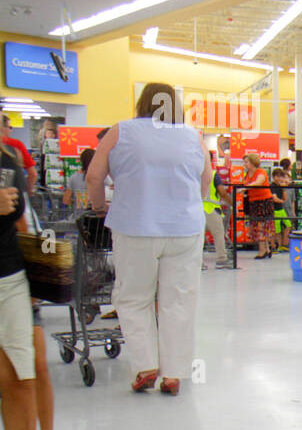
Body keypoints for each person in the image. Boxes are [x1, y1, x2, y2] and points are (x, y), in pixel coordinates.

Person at [86, 81, 210, 396]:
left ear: (142, 103)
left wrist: (100, 208)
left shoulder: (120, 131)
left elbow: (93, 176)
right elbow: (206, 180)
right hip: (185, 229)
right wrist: (188, 206)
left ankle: (146, 366)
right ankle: (174, 374)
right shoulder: (193, 136)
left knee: (133, 298)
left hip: (134, 227)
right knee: (178, 300)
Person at [0, 140, 56, 430]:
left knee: (20, 378)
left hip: (10, 276)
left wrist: (40, 276)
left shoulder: (8, 159)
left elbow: (22, 220)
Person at [200, 154, 234, 271]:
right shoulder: (213, 174)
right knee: (218, 233)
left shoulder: (193, 173)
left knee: (198, 237)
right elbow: (222, 193)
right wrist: (231, 203)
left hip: (196, 209)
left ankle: (199, 263)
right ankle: (221, 259)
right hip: (210, 209)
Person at [241, 153, 275, 259]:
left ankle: (262, 250)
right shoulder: (247, 174)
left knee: (261, 226)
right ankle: (266, 249)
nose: (245, 164)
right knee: (258, 225)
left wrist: (246, 188)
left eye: (246, 162)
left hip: (263, 202)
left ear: (253, 162)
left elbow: (259, 182)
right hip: (253, 202)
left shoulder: (261, 172)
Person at [0, 114, 37, 200]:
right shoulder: (16, 145)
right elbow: (33, 174)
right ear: (2, 127)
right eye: (10, 127)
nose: (11, 130)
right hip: (13, 195)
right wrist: (28, 190)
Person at [270, 167, 292, 252]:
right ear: (273, 176)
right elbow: (274, 198)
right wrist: (281, 201)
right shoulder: (272, 186)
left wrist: (283, 187)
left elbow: (285, 198)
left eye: (281, 176)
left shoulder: (280, 186)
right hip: (274, 210)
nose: (279, 178)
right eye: (277, 176)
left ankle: (283, 244)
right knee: (276, 230)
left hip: (281, 209)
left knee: (288, 225)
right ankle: (275, 246)